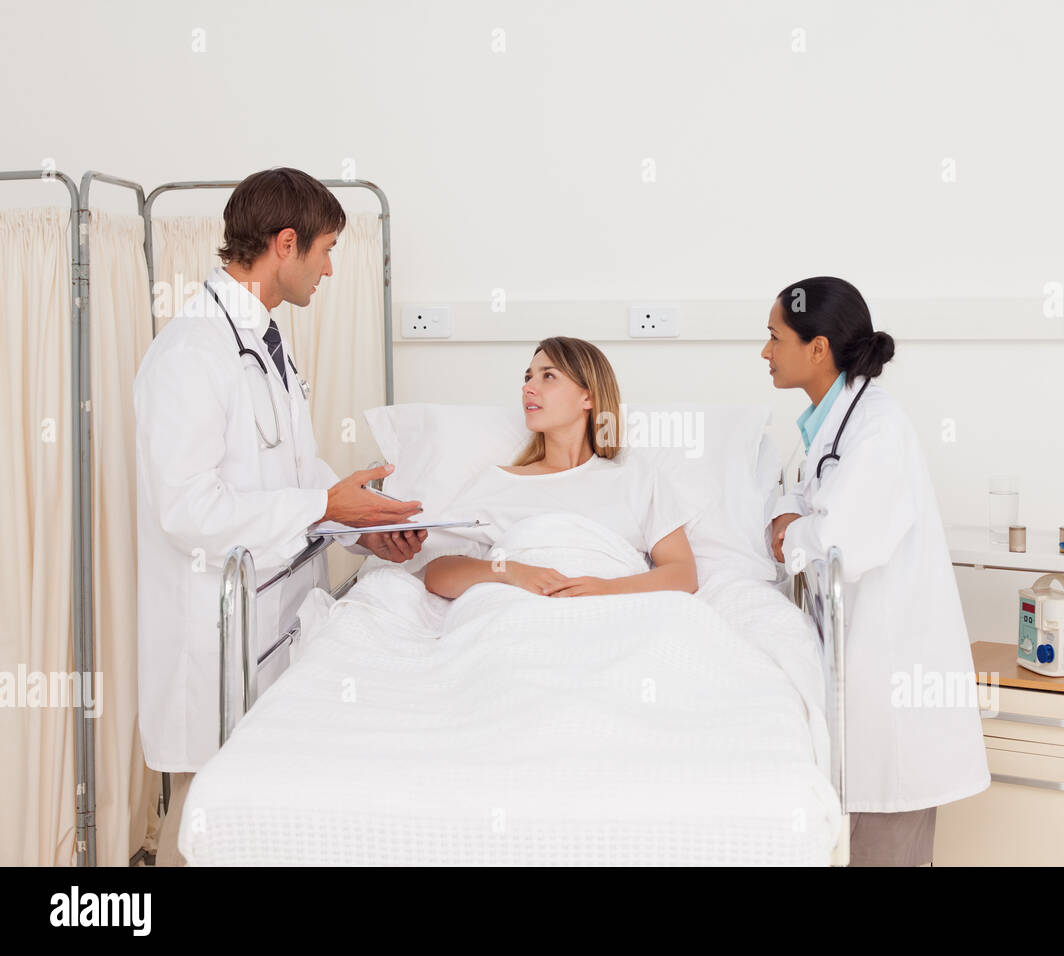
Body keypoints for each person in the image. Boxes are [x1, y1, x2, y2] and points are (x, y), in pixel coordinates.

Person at [134, 168, 427, 865]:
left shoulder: (262, 340)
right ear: (285, 243)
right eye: (325, 251)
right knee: (213, 829)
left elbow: (295, 471)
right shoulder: (189, 353)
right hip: (217, 634)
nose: (329, 269)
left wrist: (363, 525)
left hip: (276, 622)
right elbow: (187, 508)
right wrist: (327, 506)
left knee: (263, 824)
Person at [762, 276, 989, 866]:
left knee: (886, 851)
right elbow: (785, 505)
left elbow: (839, 544)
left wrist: (789, 530)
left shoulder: (877, 428)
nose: (765, 353)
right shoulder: (826, 426)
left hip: (893, 702)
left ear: (817, 348)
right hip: (857, 694)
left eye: (774, 337)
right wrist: (788, 523)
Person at [423, 336, 698, 599]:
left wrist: (607, 590)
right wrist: (511, 572)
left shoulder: (633, 475)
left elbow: (683, 574)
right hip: (520, 611)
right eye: (528, 377)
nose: (528, 387)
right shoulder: (499, 481)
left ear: (588, 398)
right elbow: (438, 572)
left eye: (548, 376)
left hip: (619, 612)